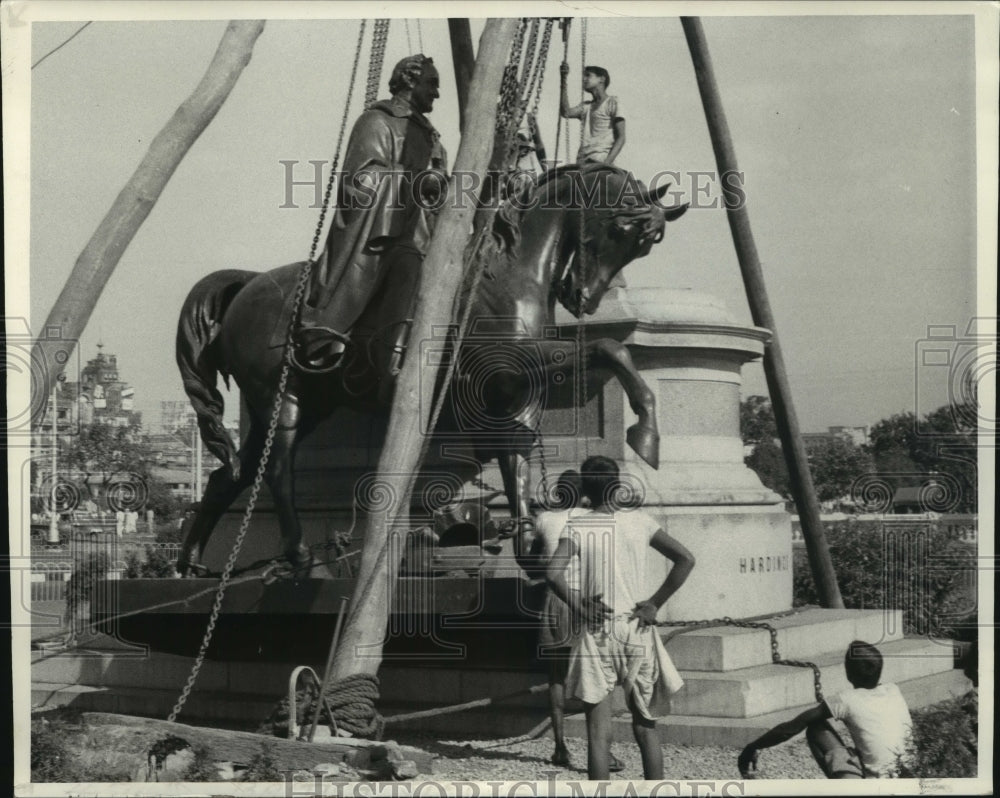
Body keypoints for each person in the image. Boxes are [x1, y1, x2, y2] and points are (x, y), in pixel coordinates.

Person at [295, 54, 449, 372]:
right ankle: (389, 366)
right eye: (432, 83)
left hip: (422, 232)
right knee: (410, 268)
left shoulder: (428, 135)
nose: (437, 93)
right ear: (409, 80)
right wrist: (418, 180)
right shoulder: (378, 122)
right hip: (385, 238)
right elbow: (361, 182)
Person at [547, 456, 694, 780]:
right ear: (618, 486)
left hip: (598, 629)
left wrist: (580, 606)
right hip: (636, 625)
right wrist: (654, 603)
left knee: (598, 734)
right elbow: (685, 559)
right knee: (646, 728)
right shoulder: (641, 521)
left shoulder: (579, 526)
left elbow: (552, 573)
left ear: (585, 489)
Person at [520, 470, 623, 772]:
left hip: (556, 598)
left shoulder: (544, 519)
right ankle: (606, 751)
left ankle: (560, 746)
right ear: (584, 493)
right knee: (601, 677)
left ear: (558, 493)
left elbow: (535, 564)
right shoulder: (594, 517)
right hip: (587, 600)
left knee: (556, 676)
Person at [737, 640, 915, 779]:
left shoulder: (847, 699)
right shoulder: (893, 690)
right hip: (909, 776)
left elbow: (789, 729)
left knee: (815, 727)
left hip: (874, 787)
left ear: (847, 673)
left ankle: (843, 788)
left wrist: (752, 747)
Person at [559, 64, 625, 165]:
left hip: (602, 158)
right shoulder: (586, 107)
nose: (584, 79)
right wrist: (563, 79)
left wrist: (607, 163)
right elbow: (566, 112)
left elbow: (621, 137)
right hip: (583, 161)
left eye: (588, 75)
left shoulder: (613, 102)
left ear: (601, 79)